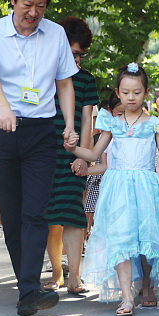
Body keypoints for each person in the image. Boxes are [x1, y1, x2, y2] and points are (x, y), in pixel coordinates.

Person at [0, 0, 78, 316]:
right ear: (13, 1)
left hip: (40, 132)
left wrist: (68, 125)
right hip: (1, 130)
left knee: (36, 212)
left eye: (41, 6)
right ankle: (26, 287)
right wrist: (4, 107)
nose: (34, 12)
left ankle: (30, 290)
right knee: (15, 214)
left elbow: (64, 83)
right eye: (27, 4)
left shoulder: (57, 34)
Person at [71, 63, 159, 316]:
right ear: (118, 92)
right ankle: (126, 297)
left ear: (146, 92)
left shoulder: (156, 123)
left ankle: (147, 283)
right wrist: (72, 149)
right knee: (122, 239)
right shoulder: (111, 123)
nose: (131, 97)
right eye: (125, 92)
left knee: (145, 240)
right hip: (117, 187)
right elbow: (93, 153)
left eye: (136, 92)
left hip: (146, 186)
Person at [45, 17, 98, 294]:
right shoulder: (43, 74)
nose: (77, 59)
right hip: (42, 154)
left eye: (81, 54)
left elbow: (88, 121)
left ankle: (75, 276)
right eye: (72, 53)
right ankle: (57, 273)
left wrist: (84, 157)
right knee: (49, 216)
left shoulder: (87, 80)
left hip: (73, 155)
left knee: (73, 213)